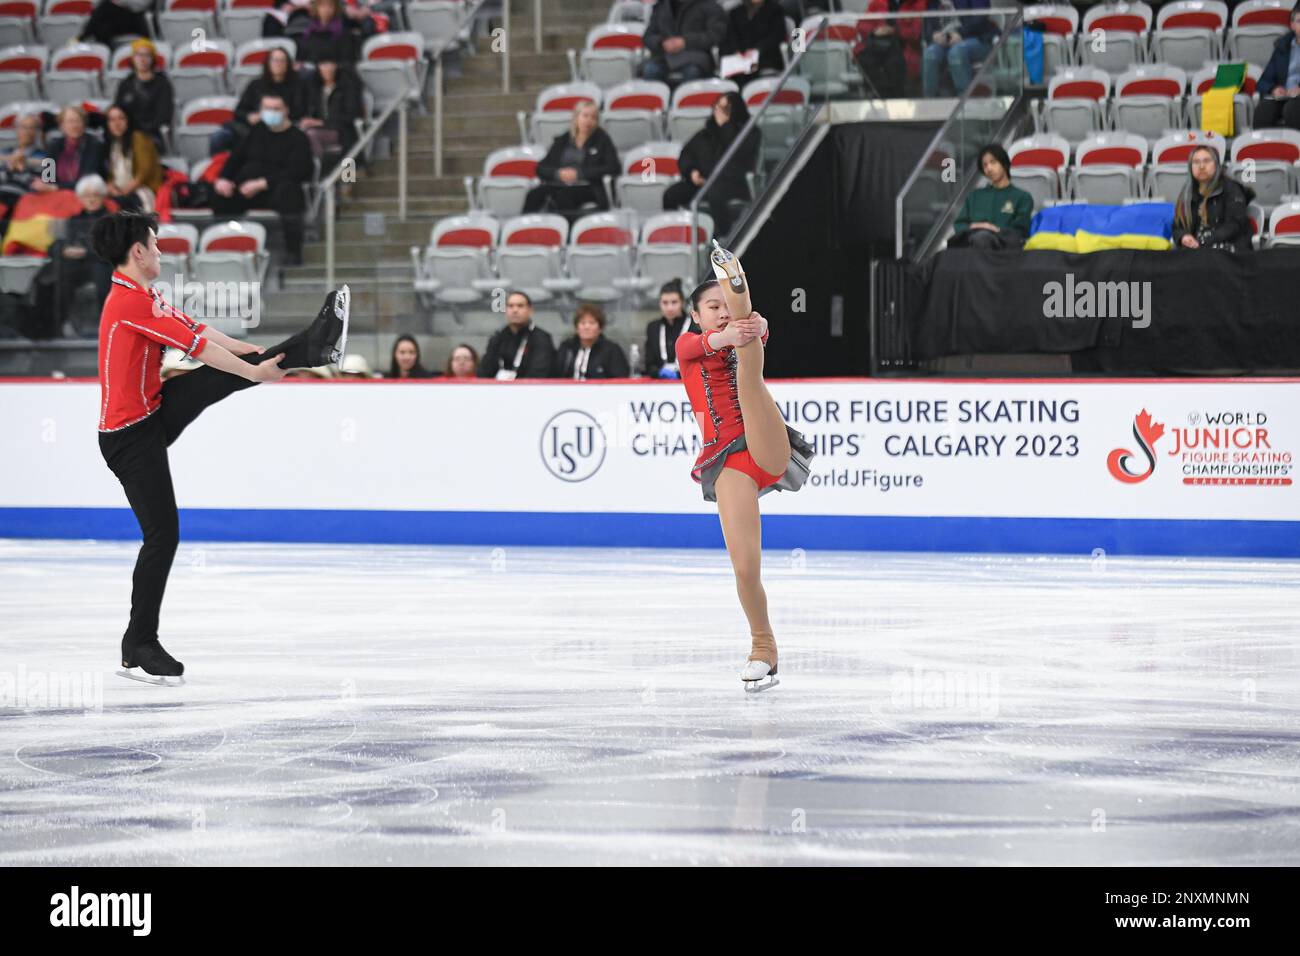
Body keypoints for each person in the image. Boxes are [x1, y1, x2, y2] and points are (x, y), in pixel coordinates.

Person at [91, 210, 347, 683]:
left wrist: (258, 356)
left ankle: (309, 347)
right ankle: (138, 641)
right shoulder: (131, 305)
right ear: (137, 252)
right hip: (128, 438)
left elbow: (207, 335)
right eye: (155, 242)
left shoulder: (144, 295)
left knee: (220, 376)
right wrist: (255, 372)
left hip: (151, 413)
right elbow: (203, 351)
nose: (162, 251)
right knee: (162, 534)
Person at [676, 243, 814, 691]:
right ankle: (763, 647)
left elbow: (744, 334)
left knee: (749, 366)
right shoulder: (687, 345)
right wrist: (732, 334)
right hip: (728, 461)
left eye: (724, 305)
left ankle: (739, 283)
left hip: (766, 440)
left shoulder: (745, 332)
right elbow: (704, 344)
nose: (718, 314)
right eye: (712, 307)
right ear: (696, 315)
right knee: (745, 566)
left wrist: (753, 325)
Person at [212, 93, 315, 264]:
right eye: (267, 108)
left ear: (286, 111)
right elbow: (236, 158)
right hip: (246, 188)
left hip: (275, 189)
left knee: (290, 192)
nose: (271, 112)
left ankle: (293, 254)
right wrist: (223, 179)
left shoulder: (298, 138)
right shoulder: (257, 131)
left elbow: (299, 171)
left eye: (276, 109)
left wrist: (262, 184)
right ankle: (225, 251)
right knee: (220, 195)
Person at [661, 91, 757, 236]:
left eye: (725, 109)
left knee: (715, 195)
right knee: (671, 195)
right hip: (702, 182)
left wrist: (726, 126)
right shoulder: (706, 133)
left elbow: (738, 159)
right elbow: (687, 154)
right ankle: (676, 236)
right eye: (717, 107)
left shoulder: (749, 133)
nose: (718, 112)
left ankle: (727, 238)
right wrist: (692, 172)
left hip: (732, 184)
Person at [29, 175, 113, 339]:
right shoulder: (74, 219)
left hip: (101, 264)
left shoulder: (112, 220)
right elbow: (54, 245)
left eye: (95, 195)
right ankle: (50, 326)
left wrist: (86, 253)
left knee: (95, 277)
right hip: (75, 265)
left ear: (103, 197)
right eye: (86, 196)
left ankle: (104, 330)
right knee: (51, 276)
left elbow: (115, 248)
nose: (91, 199)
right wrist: (63, 250)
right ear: (80, 198)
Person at [523, 101, 621, 217]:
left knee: (563, 196)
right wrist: (557, 173)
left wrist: (580, 174)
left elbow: (614, 167)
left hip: (589, 186)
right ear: (576, 117)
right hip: (559, 183)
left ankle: (567, 230)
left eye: (594, 117)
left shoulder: (602, 140)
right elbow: (541, 168)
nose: (589, 120)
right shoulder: (563, 140)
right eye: (585, 116)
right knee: (534, 195)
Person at [211, 47, 308, 155]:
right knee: (220, 136)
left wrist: (278, 115)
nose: (278, 64)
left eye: (282, 60)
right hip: (253, 129)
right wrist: (249, 117)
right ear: (268, 63)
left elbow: (300, 112)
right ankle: (216, 167)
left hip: (283, 128)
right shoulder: (256, 85)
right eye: (275, 60)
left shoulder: (297, 85)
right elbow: (238, 112)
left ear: (288, 64)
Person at [1172, 145, 1254, 254]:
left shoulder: (1232, 189)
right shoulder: (1187, 193)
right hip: (1197, 251)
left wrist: (1202, 242)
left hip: (1228, 251)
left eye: (1206, 161)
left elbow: (1234, 226)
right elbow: (1178, 226)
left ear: (1216, 165)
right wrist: (1184, 237)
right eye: (1196, 162)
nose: (1201, 166)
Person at [950, 143, 1033, 249]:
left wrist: (995, 229)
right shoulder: (975, 196)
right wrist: (980, 226)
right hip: (972, 243)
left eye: (993, 162)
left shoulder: (1022, 197)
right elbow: (959, 225)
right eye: (985, 165)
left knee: (982, 238)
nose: (989, 168)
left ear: (1004, 163)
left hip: (1004, 247)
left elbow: (1020, 230)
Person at [922, 0, 998, 98]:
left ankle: (964, 103)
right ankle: (930, 103)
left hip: (976, 38)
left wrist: (961, 34)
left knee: (956, 52)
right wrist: (934, 34)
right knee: (930, 54)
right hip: (945, 39)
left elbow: (980, 15)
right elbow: (928, 20)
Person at [642, 0, 728, 84]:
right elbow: (648, 37)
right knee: (650, 70)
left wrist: (685, 42)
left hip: (696, 57)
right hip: (664, 57)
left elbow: (716, 35)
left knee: (692, 72)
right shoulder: (662, 6)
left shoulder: (709, 5)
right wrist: (661, 42)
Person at [855, 0, 929, 97]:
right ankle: (881, 98)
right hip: (877, 45)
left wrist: (894, 30)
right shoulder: (878, 2)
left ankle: (892, 98)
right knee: (866, 59)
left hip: (904, 46)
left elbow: (915, 33)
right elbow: (861, 26)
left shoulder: (918, 3)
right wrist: (874, 30)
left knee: (893, 61)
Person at [477, 290, 556, 379]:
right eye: (510, 306)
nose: (515, 310)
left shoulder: (541, 338)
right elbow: (483, 372)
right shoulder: (498, 338)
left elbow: (539, 373)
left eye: (520, 306)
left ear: (530, 310)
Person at [111, 39, 174, 149]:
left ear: (152, 59)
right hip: (127, 133)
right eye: (138, 55)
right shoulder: (125, 84)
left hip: (151, 134)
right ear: (133, 58)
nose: (142, 59)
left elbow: (163, 116)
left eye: (147, 55)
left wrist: (141, 131)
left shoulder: (162, 84)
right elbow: (117, 110)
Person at [300, 59, 363, 166]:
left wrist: (321, 123)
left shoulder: (347, 88)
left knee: (312, 134)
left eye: (331, 64)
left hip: (343, 131)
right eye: (323, 64)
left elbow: (352, 115)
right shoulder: (316, 89)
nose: (327, 68)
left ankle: (319, 171)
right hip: (321, 130)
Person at [103, 105, 163, 213]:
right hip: (121, 191)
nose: (116, 124)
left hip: (143, 190)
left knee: (117, 205)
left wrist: (123, 191)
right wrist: (111, 186)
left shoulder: (138, 138)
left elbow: (143, 173)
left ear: (128, 120)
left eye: (121, 118)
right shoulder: (114, 144)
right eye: (112, 120)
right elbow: (112, 176)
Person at [553, 303, 631, 379]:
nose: (587, 327)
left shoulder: (611, 350)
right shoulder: (567, 348)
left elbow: (621, 380)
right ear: (577, 328)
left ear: (600, 328)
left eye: (592, 323)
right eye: (582, 323)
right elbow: (555, 376)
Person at [1254, 4, 1300, 131]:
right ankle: (1264, 149)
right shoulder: (1282, 48)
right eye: (1299, 21)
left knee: (1292, 109)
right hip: (1284, 96)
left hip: (1297, 101)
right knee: (1263, 111)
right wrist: (1274, 89)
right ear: (1292, 25)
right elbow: (1263, 82)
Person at [643, 279, 697, 378]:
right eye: (665, 303)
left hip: (688, 381)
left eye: (674, 302)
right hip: (660, 385)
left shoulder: (694, 326)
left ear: (682, 302)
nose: (670, 308)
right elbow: (649, 364)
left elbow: (698, 362)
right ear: (659, 303)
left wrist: (678, 374)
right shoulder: (653, 328)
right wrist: (658, 372)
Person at [44, 107, 107, 192]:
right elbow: (47, 178)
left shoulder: (95, 145)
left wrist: (56, 187)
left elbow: (87, 180)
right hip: (57, 194)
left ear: (84, 124)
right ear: (62, 126)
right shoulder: (53, 145)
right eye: (70, 121)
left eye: (78, 121)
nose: (75, 125)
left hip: (86, 194)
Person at [721, 0, 788, 77]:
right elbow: (731, 36)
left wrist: (757, 49)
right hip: (741, 59)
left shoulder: (775, 10)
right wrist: (737, 51)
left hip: (766, 55)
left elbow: (777, 36)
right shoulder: (735, 13)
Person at [0, 113, 49, 215]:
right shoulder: (5, 152)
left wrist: (25, 163)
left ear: (37, 132)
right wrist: (10, 164)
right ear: (16, 130)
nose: (27, 132)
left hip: (27, 203)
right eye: (23, 127)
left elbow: (50, 181)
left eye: (32, 128)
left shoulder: (46, 156)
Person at [296, 0, 360, 65]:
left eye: (330, 5)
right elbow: (302, 59)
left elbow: (347, 60)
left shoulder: (342, 32)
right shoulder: (309, 32)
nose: (326, 9)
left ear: (335, 8)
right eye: (322, 5)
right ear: (316, 8)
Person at [79, 0, 150, 49]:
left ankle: (82, 39)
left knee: (104, 9)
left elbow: (138, 6)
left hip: (134, 23)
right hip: (125, 23)